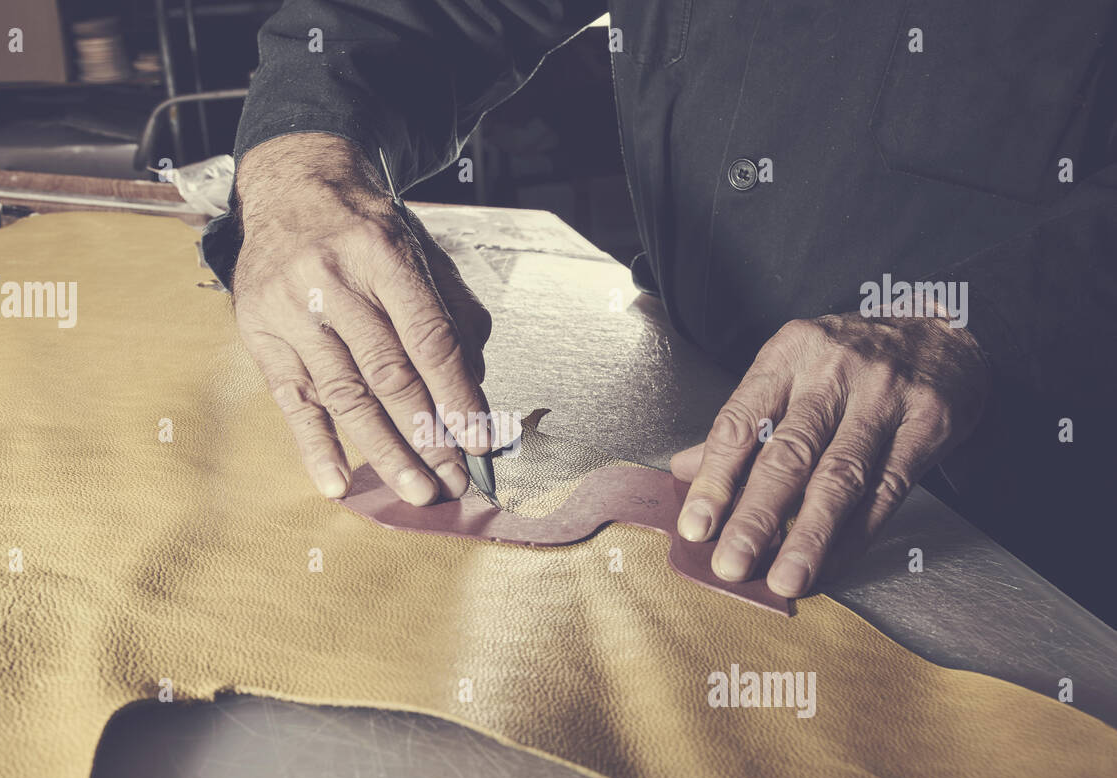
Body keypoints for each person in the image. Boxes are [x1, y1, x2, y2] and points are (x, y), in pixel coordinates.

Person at [201, 0, 1117, 617]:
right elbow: (407, 17)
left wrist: (978, 324)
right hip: (691, 415)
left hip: (1031, 525)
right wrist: (297, 174)